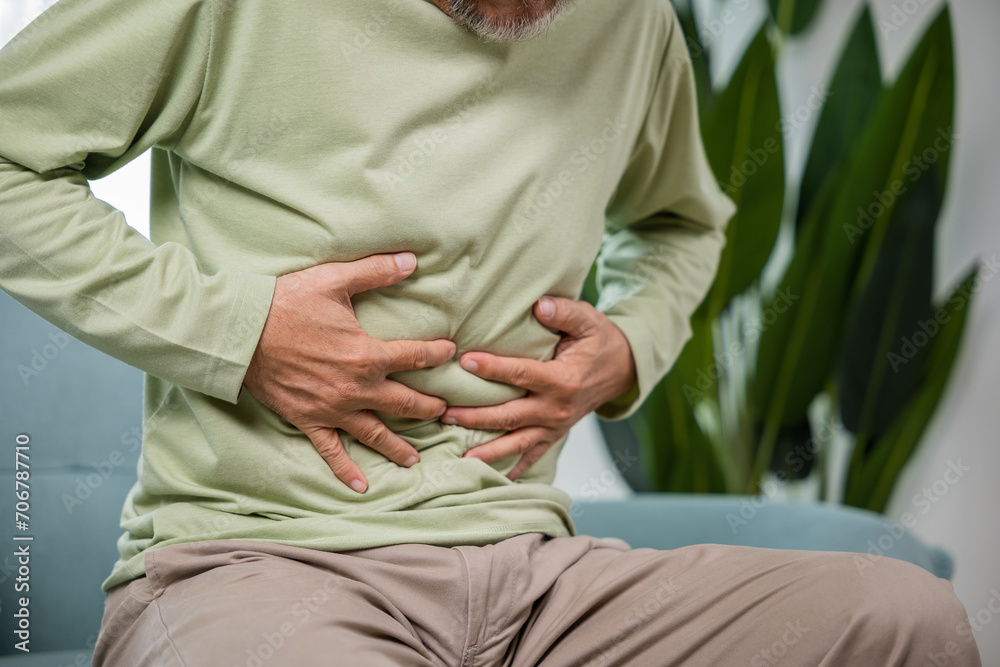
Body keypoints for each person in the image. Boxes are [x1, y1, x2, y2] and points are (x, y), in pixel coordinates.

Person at [0, 0, 981, 664]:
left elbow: (684, 221)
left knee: (906, 621)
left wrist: (628, 343)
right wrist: (239, 332)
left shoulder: (624, 19)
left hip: (538, 580)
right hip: (254, 561)